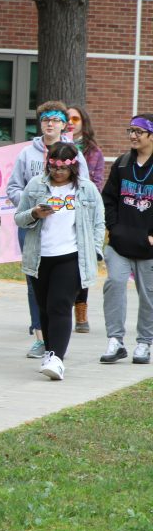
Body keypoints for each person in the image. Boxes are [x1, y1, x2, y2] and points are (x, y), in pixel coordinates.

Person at [7, 101, 90, 359]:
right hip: (33, 225)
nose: (50, 124)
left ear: (64, 124)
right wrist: (30, 205)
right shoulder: (27, 154)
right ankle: (39, 335)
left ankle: (55, 344)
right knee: (35, 286)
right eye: (45, 119)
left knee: (59, 294)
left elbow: (86, 190)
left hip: (65, 232)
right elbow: (13, 187)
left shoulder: (74, 153)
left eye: (55, 119)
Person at [15, 142, 104, 380]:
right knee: (44, 308)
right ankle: (49, 352)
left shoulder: (86, 189)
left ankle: (56, 358)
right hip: (40, 256)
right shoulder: (36, 185)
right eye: (53, 168)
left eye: (62, 169)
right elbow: (19, 218)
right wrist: (35, 213)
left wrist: (95, 251)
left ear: (73, 167)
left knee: (59, 305)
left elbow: (98, 223)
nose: (57, 173)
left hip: (71, 256)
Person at [100, 113, 153, 365]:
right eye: (130, 130)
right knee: (114, 285)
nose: (132, 136)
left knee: (149, 295)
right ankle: (116, 340)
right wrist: (113, 227)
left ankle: (144, 343)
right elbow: (108, 198)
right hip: (120, 243)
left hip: (149, 246)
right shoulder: (122, 164)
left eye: (138, 132)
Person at [66, 104, 105, 333]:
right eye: (68, 118)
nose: (71, 122)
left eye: (75, 118)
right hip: (58, 211)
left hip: (84, 212)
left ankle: (80, 309)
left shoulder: (93, 151)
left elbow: (97, 183)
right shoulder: (54, 147)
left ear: (83, 122)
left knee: (82, 261)